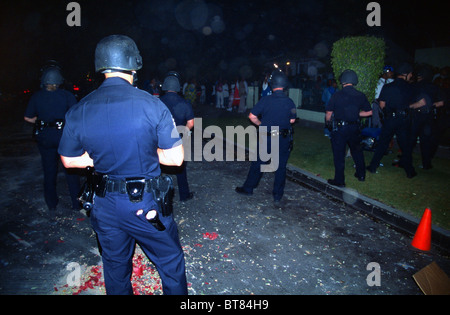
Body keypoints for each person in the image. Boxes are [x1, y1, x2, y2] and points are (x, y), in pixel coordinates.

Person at [58, 35, 188, 295]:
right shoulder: (154, 105)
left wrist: (104, 158)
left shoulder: (79, 109)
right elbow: (176, 159)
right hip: (145, 204)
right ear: (134, 64)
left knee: (115, 268)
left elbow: (69, 160)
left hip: (103, 204)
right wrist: (146, 153)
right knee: (170, 262)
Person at [24, 65, 80, 216]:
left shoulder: (36, 96)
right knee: (71, 172)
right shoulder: (67, 95)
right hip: (64, 137)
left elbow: (27, 117)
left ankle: (52, 204)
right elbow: (75, 116)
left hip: (45, 138)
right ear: (59, 81)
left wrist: (41, 121)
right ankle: (76, 203)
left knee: (49, 171)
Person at [235, 70, 296, 204]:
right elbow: (292, 121)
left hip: (268, 137)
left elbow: (252, 116)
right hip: (283, 138)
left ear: (272, 85)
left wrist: (261, 124)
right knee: (280, 167)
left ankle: (248, 188)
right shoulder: (290, 102)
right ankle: (277, 195)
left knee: (258, 164)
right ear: (284, 85)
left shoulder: (266, 100)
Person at [367, 63, 423, 178]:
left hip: (391, 118)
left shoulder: (388, 87)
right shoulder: (411, 87)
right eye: (411, 74)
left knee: (383, 143)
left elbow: (382, 105)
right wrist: (408, 107)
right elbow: (421, 103)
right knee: (405, 146)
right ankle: (410, 171)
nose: (411, 75)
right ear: (406, 74)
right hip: (404, 118)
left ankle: (373, 166)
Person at [325, 70, 372, 187]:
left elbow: (329, 113)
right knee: (357, 151)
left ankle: (339, 181)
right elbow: (369, 112)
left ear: (343, 81)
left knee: (339, 154)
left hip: (340, 129)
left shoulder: (337, 95)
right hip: (355, 127)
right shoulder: (360, 95)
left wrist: (328, 123)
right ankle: (361, 174)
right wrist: (357, 114)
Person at [160, 72, 195, 202]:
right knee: (180, 167)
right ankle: (184, 195)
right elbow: (191, 122)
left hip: (161, 137)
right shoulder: (184, 103)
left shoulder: (158, 102)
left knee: (157, 165)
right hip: (178, 137)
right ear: (178, 87)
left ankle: (158, 195)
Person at [410, 65, 445, 169]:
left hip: (417, 115)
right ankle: (426, 164)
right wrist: (430, 105)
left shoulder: (415, 86)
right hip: (428, 116)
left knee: (411, 139)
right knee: (425, 141)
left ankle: (406, 160)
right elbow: (441, 103)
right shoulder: (435, 87)